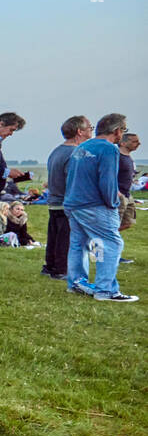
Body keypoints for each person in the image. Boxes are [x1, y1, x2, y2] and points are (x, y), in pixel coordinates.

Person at [65, 113, 137, 302]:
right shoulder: (108, 149)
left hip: (74, 203)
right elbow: (107, 180)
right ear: (117, 131)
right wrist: (113, 203)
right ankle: (106, 290)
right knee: (112, 243)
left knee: (79, 244)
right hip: (95, 205)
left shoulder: (82, 147)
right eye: (123, 130)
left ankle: (76, 283)